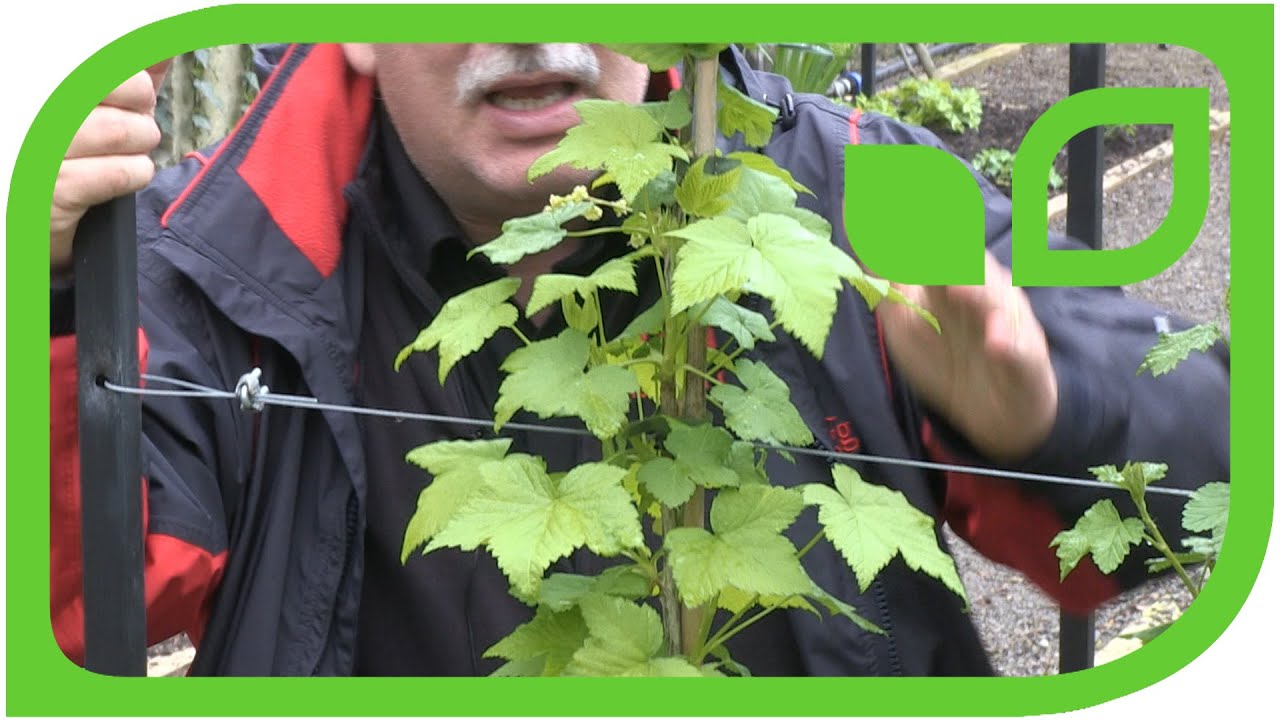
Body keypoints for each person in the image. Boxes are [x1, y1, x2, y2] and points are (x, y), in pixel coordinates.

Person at [50, 43, 1229, 676]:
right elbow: (73, 607)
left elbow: (1213, 486)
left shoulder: (852, 183)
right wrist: (41, 293)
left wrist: (1047, 416)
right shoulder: (204, 261)